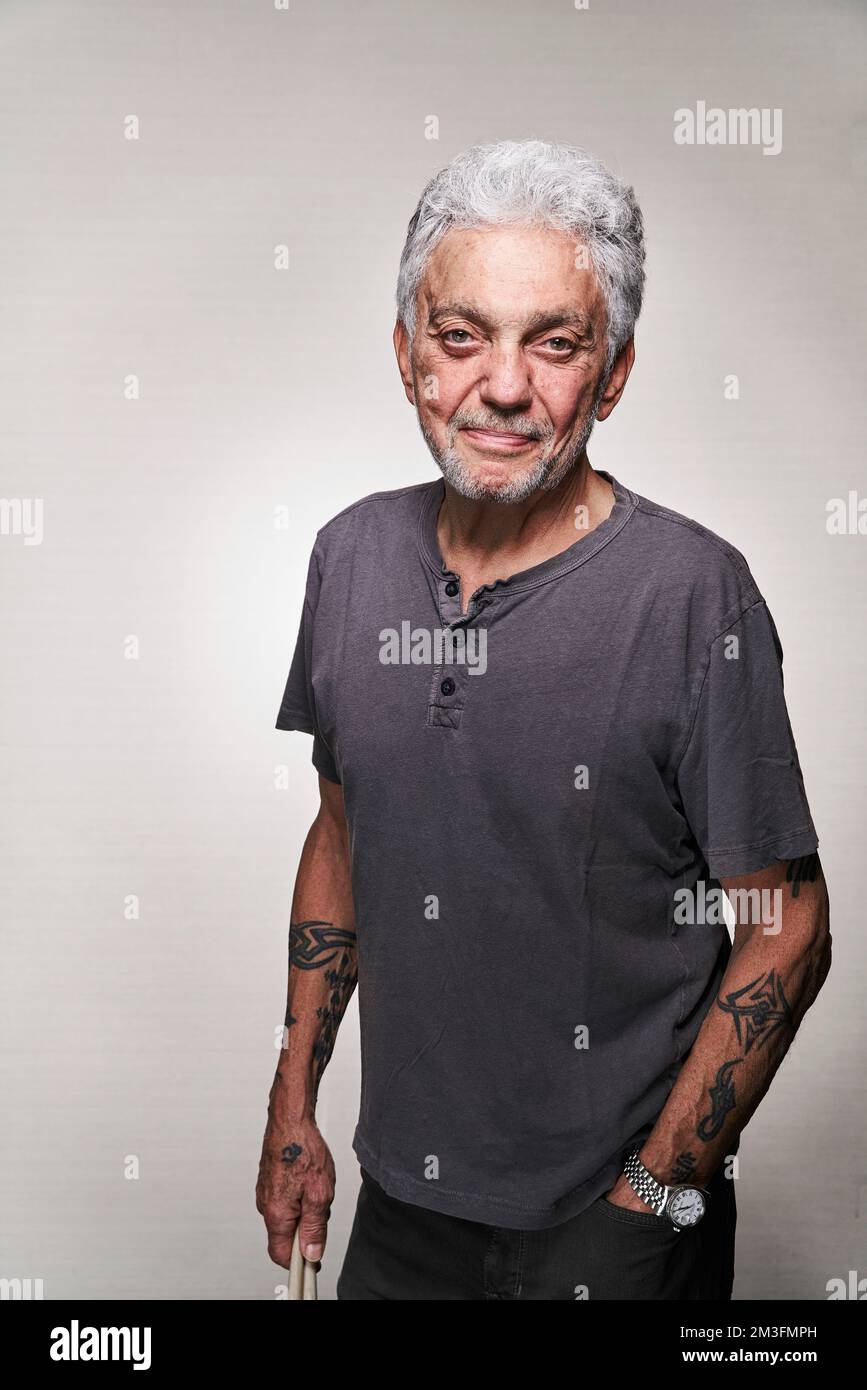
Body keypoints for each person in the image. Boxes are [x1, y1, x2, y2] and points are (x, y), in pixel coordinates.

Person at [255, 139, 831, 1300]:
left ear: (611, 374)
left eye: (554, 344)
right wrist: (295, 1101)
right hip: (399, 1209)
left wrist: (652, 1203)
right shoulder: (350, 556)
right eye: (462, 336)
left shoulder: (691, 595)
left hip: (612, 1224)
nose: (504, 386)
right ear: (410, 355)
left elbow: (787, 923)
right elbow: (341, 832)